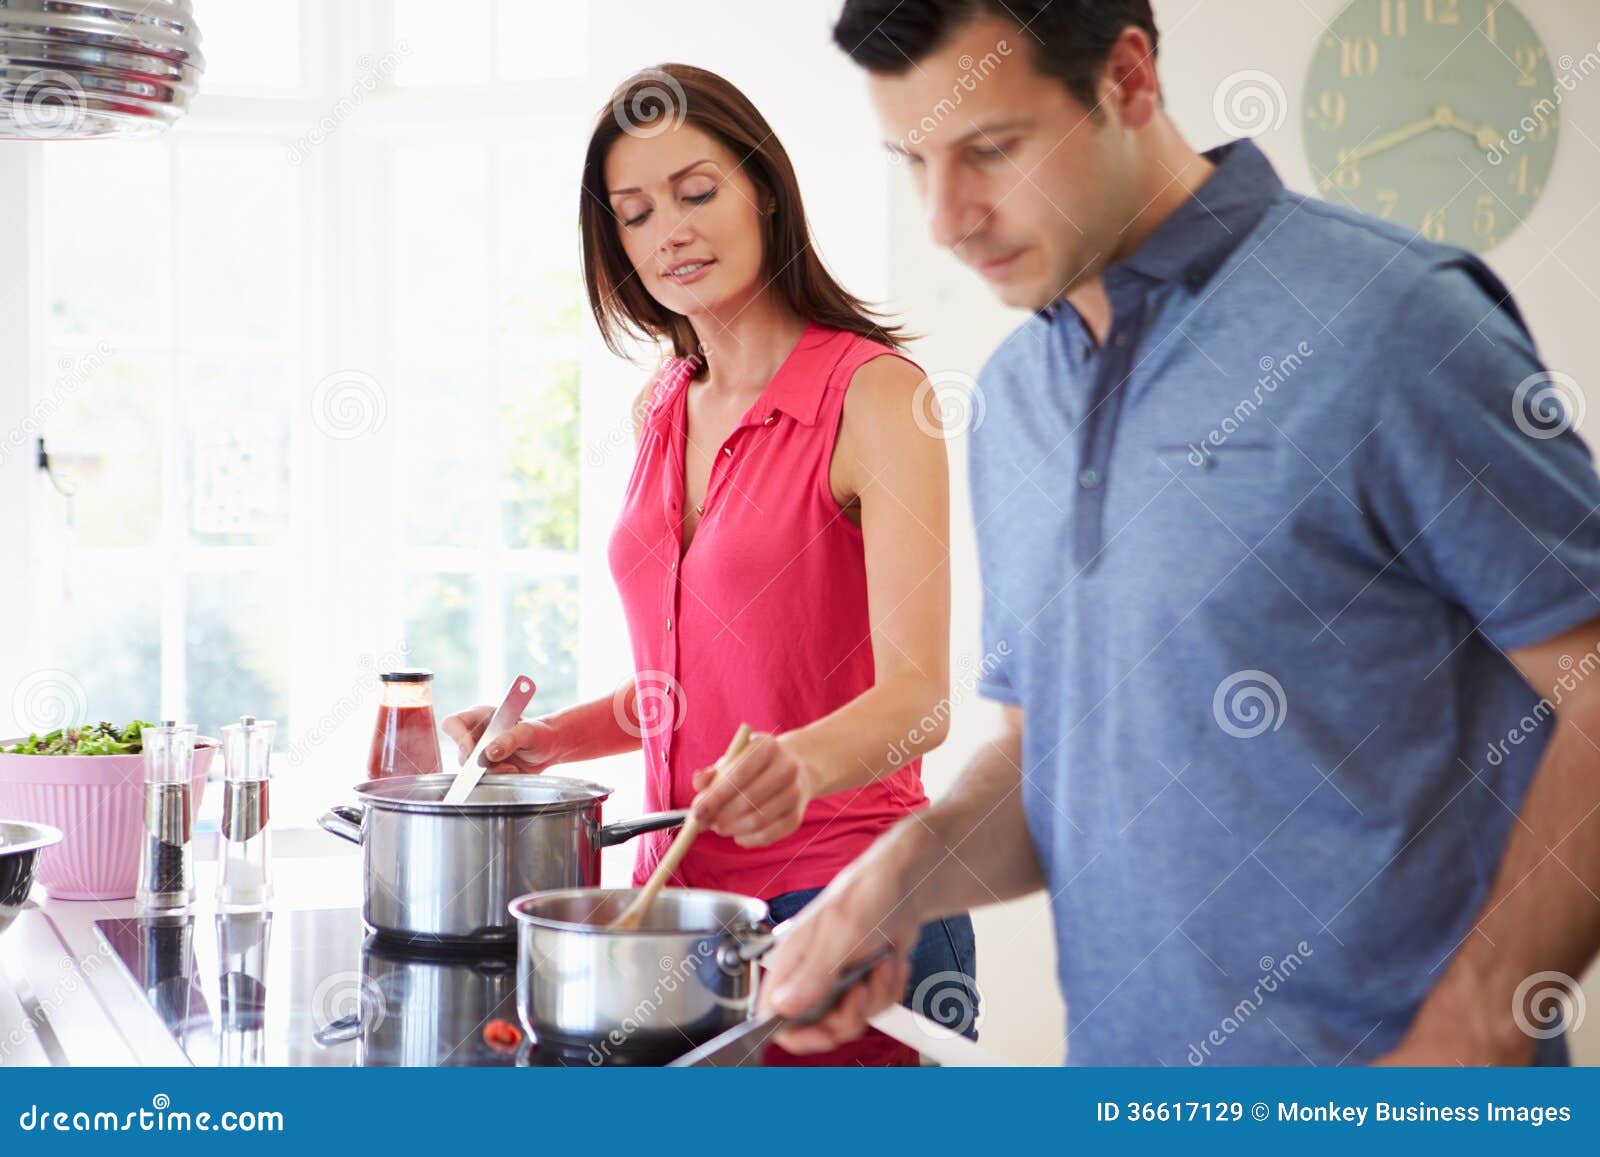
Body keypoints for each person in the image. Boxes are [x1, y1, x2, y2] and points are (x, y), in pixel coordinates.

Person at [761, 0, 1600, 1066]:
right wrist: (897, 878)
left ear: (1127, 79)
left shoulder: (1395, 323)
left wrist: (1463, 1037)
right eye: (913, 160)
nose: (947, 216)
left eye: (992, 148)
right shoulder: (1015, 399)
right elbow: (1044, 761)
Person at [443, 63, 977, 1064]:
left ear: (763, 191)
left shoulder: (876, 397)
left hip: (847, 902)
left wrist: (799, 763)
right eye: (636, 214)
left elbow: (920, 698)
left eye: (696, 193)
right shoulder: (661, 405)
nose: (670, 232)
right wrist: (550, 737)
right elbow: (687, 689)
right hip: (675, 915)